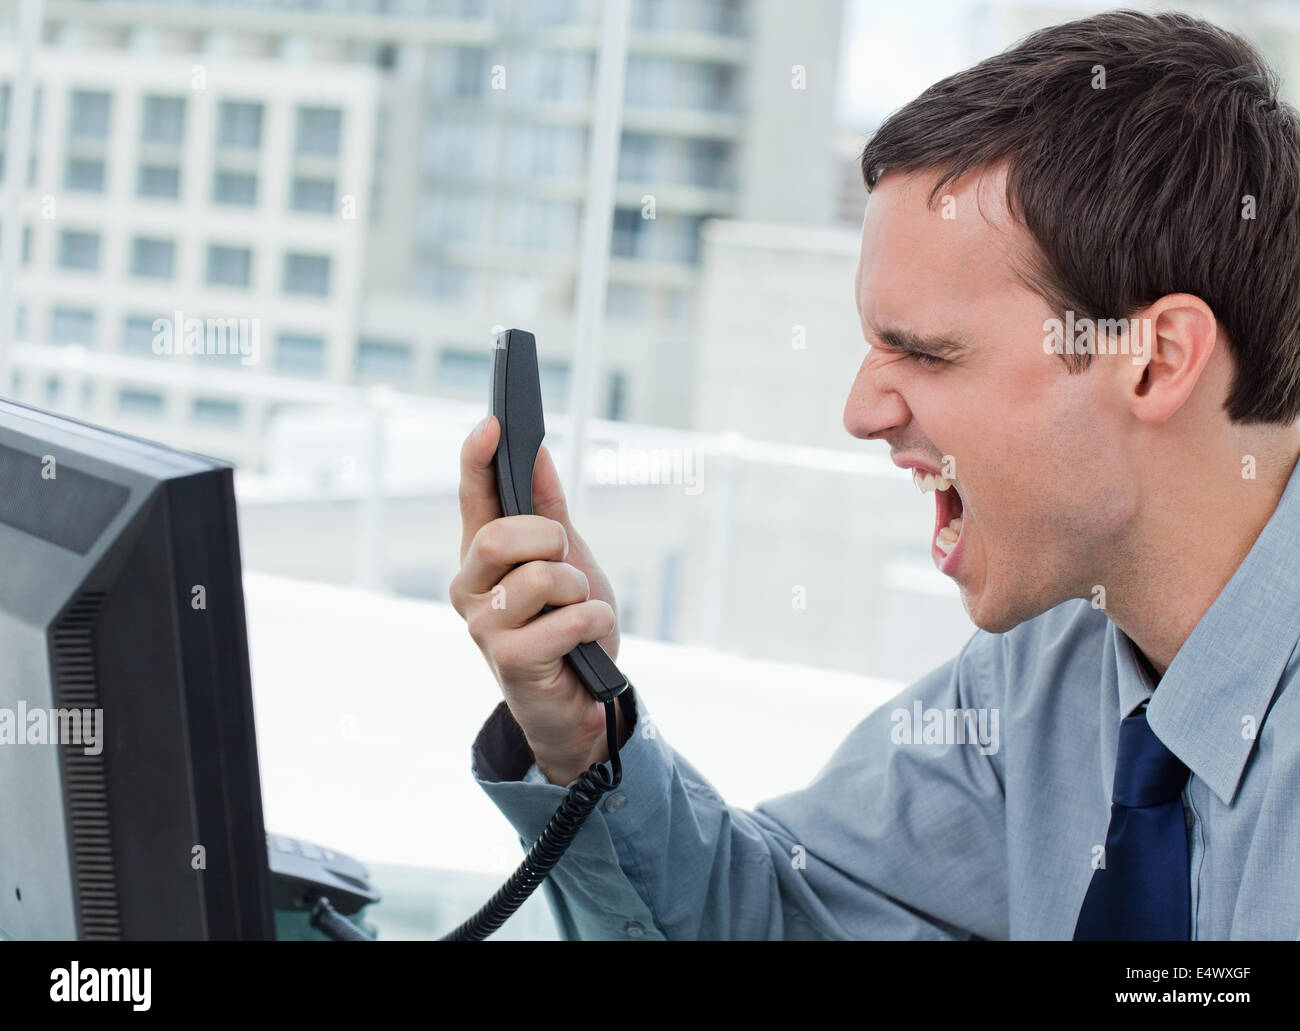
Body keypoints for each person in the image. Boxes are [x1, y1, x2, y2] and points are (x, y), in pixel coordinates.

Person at [449, 9, 1300, 939]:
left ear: (1154, 359)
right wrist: (582, 733)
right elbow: (785, 912)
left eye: (927, 354)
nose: (861, 411)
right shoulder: (1043, 668)